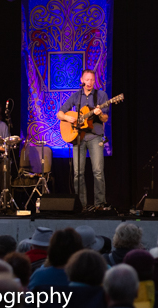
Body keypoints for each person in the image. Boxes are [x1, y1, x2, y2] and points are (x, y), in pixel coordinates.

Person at [57, 69, 110, 210]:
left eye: (92, 80)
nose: (89, 82)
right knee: (77, 173)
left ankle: (99, 204)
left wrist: (99, 115)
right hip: (78, 138)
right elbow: (60, 113)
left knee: (98, 171)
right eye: (87, 80)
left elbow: (106, 117)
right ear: (82, 80)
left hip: (95, 136)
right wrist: (67, 117)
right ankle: (81, 205)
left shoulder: (101, 95)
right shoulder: (76, 96)